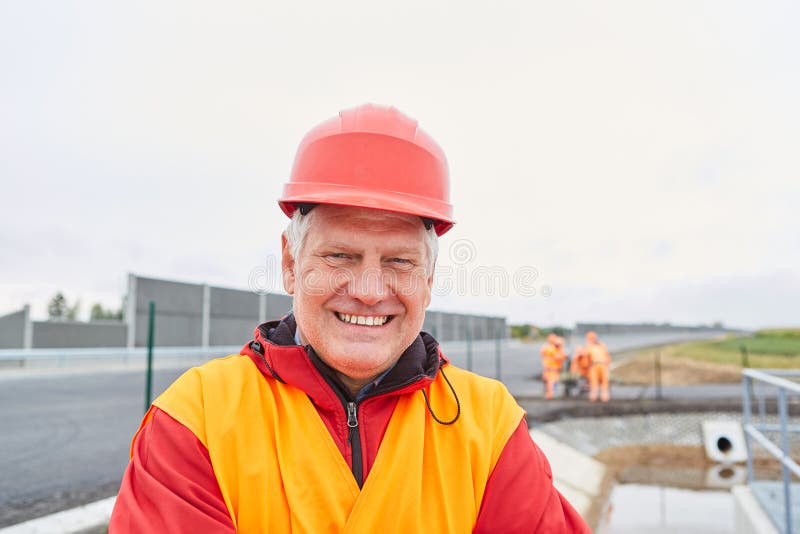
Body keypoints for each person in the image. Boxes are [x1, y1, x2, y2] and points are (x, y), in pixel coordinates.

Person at [109, 104, 590, 532]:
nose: (367, 291)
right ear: (291, 264)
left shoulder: (489, 427)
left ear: (429, 277)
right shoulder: (196, 420)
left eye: (400, 261)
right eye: (340, 256)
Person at [586, 330, 611, 402]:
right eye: (590, 338)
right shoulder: (588, 347)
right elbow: (586, 359)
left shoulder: (602, 345)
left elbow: (607, 355)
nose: (592, 339)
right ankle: (593, 397)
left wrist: (607, 365)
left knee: (604, 382)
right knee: (594, 382)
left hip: (603, 365)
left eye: (593, 337)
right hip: (593, 366)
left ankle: (605, 397)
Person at [540, 333, 567, 399]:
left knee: (551, 380)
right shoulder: (548, 347)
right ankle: (549, 392)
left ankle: (550, 393)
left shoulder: (557, 347)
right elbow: (543, 353)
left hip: (554, 368)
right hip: (549, 367)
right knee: (548, 380)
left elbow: (562, 357)